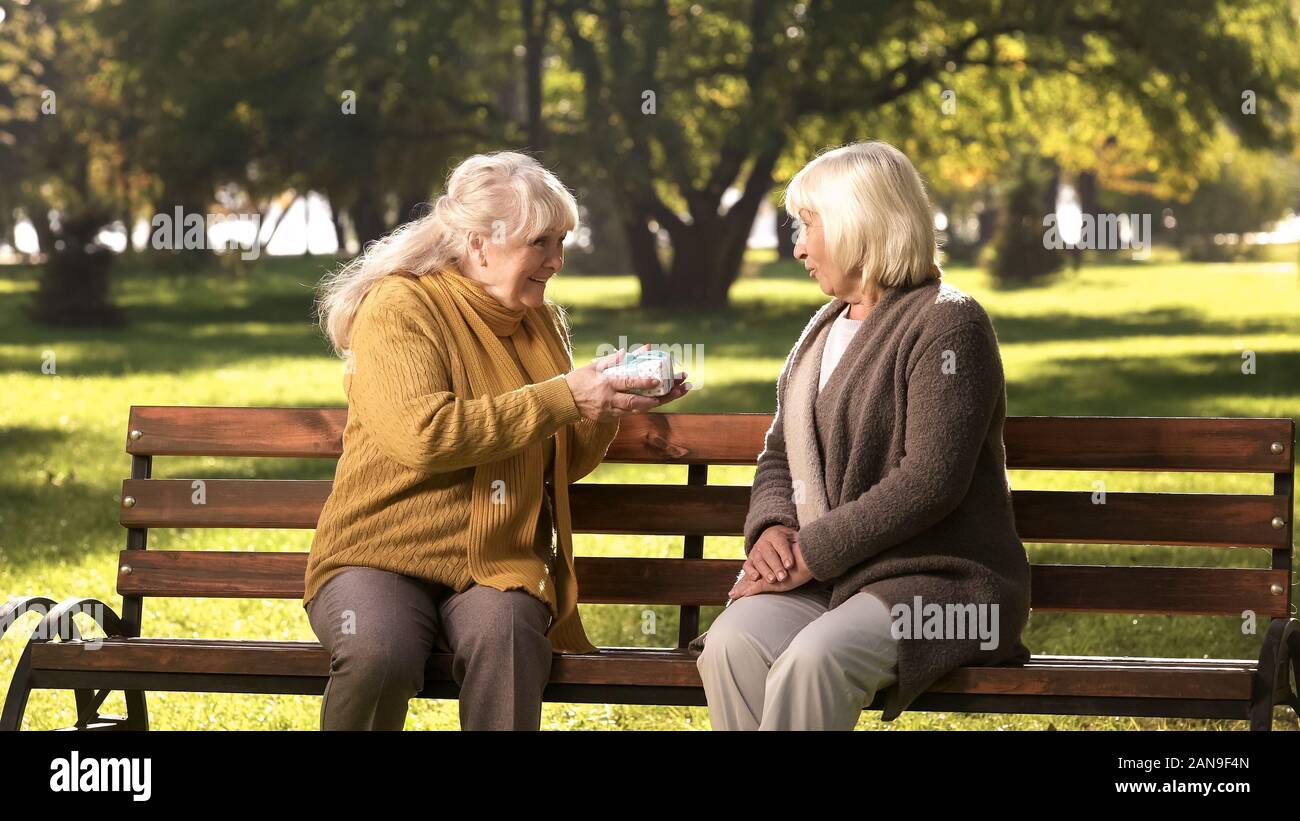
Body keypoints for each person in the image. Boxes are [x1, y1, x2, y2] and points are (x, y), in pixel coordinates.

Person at [305, 151, 689, 730]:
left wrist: (605, 405)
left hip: (496, 562)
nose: (557, 261)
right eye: (542, 243)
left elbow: (562, 460)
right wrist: (566, 396)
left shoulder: (540, 322)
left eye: (562, 242)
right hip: (378, 557)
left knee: (509, 639)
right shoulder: (399, 307)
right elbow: (424, 435)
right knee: (379, 653)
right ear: (481, 243)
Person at [692, 140, 1032, 730]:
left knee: (814, 660)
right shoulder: (822, 330)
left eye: (808, 224)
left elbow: (930, 481)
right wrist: (773, 527)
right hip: (835, 580)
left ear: (857, 224)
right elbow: (781, 451)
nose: (797, 246)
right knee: (733, 643)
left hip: (939, 585)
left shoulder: (950, 323)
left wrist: (811, 553)